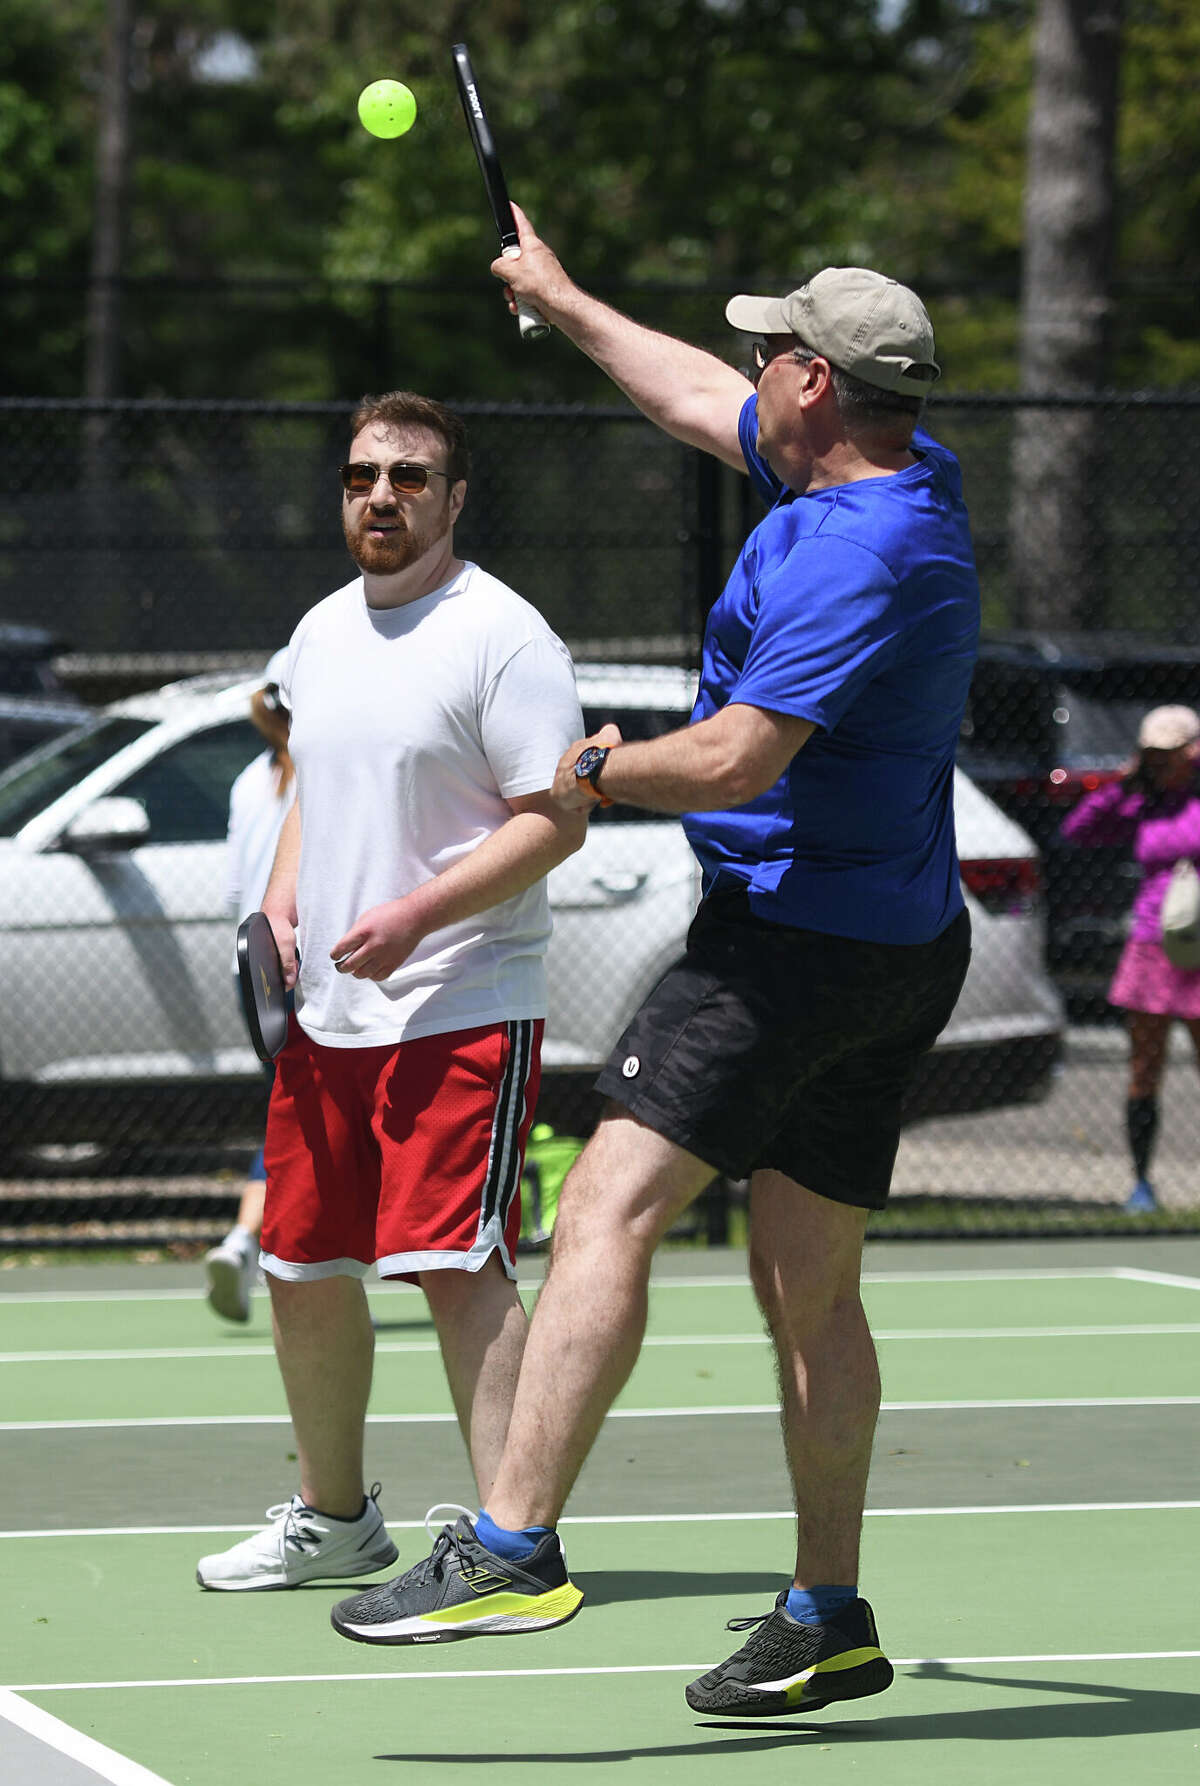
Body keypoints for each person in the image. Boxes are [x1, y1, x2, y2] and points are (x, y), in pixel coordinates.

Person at [327, 217, 979, 1721]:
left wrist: (599, 772)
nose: (750, 366)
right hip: (894, 944)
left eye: (773, 352)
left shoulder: (859, 554)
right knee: (808, 1289)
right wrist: (558, 300)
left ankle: (513, 1543)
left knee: (609, 1200)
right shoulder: (895, 467)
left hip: (793, 953)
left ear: (818, 380)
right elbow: (692, 393)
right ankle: (829, 1613)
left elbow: (742, 755)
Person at [195, 389, 587, 1591]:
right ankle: (335, 1520)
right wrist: (280, 900)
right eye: (365, 474)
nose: (382, 495)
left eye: (411, 476)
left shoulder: (506, 637)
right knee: (302, 1268)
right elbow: (315, 788)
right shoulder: (320, 632)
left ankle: (514, 1541)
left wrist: (418, 912)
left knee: (454, 1265)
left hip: (461, 998)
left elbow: (558, 818)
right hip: (330, 1012)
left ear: (455, 499)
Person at [1060, 704, 1200, 1212]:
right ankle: (1141, 1184)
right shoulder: (1142, 802)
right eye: (1151, 754)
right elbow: (1076, 831)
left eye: (1168, 754)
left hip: (1199, 954)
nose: (1158, 763)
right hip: (1151, 947)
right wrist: (1122, 784)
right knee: (1145, 1069)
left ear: (1192, 752)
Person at [204, 658, 296, 1323]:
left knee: (293, 1112)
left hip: (264, 968)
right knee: (309, 1119)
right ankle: (267, 1248)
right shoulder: (324, 776)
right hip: (314, 966)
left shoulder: (248, 781)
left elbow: (238, 893)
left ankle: (249, 1241)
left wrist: (246, 966)